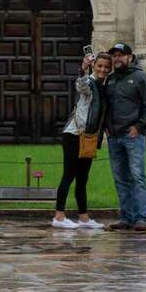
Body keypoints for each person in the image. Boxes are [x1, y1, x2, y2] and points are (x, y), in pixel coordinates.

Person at [103, 42, 146, 232]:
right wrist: (106, 127)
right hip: (114, 137)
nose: (117, 58)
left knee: (137, 177)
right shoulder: (110, 80)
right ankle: (126, 217)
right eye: (115, 55)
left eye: (121, 55)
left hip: (132, 136)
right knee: (120, 178)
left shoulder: (140, 78)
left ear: (130, 57)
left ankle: (141, 218)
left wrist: (139, 126)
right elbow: (104, 106)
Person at [52, 51, 110, 229]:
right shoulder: (90, 82)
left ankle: (84, 218)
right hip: (74, 134)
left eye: (107, 67)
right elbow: (81, 86)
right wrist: (82, 70)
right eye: (100, 66)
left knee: (83, 178)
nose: (103, 69)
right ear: (94, 66)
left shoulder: (104, 86)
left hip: (89, 137)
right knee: (68, 175)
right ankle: (59, 216)